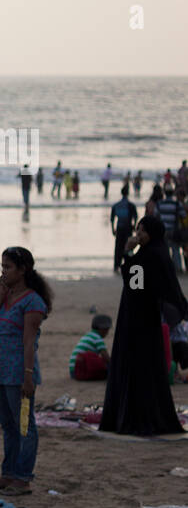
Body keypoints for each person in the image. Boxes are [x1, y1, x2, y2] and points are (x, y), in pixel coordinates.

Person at [101, 216, 188, 436]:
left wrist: (127, 252)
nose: (138, 235)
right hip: (142, 318)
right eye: (138, 230)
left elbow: (135, 286)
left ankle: (137, 417)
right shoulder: (156, 253)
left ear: (153, 234)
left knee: (139, 368)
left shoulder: (150, 256)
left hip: (140, 321)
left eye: (143, 231)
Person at [0, 247, 51, 495]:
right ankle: (8, 474)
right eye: (2, 267)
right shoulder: (6, 297)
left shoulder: (33, 302)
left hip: (18, 373)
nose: (3, 272)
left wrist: (28, 376)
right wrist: (0, 297)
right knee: (7, 425)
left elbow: (29, 342)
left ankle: (22, 478)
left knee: (24, 426)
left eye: (8, 267)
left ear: (23, 270)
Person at [70, 314, 111, 380]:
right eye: (107, 329)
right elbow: (105, 356)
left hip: (73, 371)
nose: (107, 332)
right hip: (81, 370)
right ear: (102, 329)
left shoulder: (88, 335)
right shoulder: (97, 338)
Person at [110, 185, 139, 272]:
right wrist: (134, 226)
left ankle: (116, 266)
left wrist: (113, 229)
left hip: (119, 228)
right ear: (128, 193)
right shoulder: (131, 205)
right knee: (128, 247)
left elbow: (112, 219)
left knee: (118, 247)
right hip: (128, 228)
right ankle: (129, 264)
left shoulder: (116, 205)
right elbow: (135, 216)